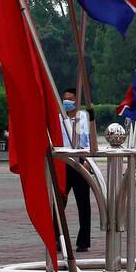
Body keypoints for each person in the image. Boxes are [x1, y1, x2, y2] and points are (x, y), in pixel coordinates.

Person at [55, 88, 92, 253]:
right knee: (58, 202)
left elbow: (90, 141)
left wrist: (89, 163)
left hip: (81, 162)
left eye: (70, 99)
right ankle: (57, 238)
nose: (66, 102)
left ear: (76, 100)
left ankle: (83, 241)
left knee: (83, 203)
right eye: (65, 99)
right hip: (63, 163)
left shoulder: (84, 117)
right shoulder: (59, 119)